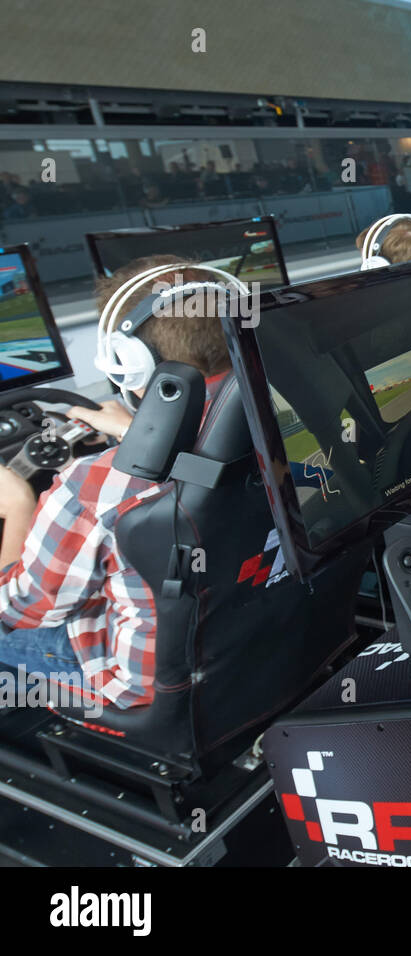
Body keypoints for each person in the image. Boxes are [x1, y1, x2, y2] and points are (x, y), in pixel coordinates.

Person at [0, 255, 238, 709]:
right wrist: (139, 431)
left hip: (146, 689)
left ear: (129, 362)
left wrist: (18, 505)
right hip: (260, 654)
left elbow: (18, 610)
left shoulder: (95, 484)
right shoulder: (288, 421)